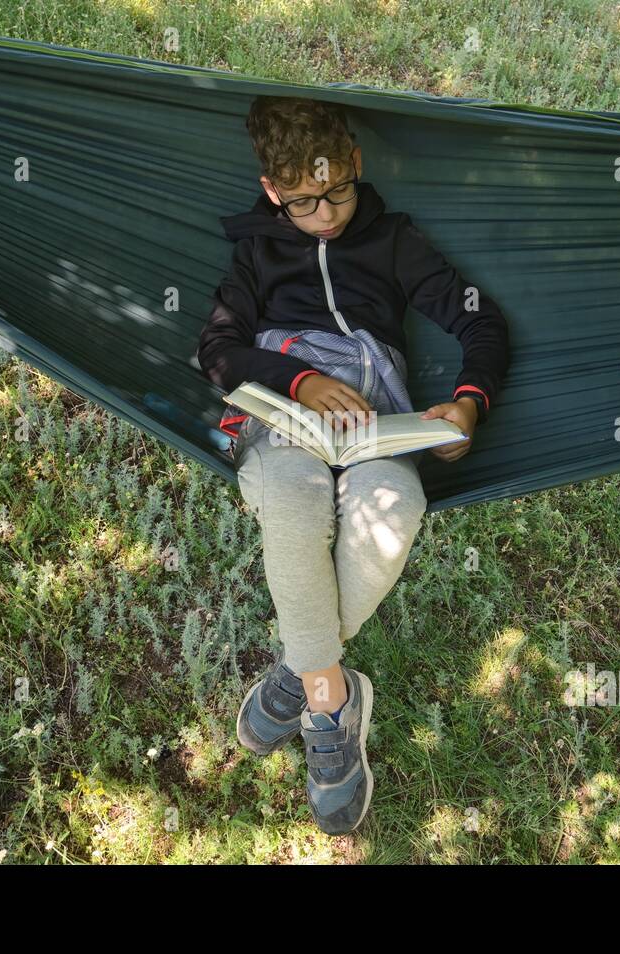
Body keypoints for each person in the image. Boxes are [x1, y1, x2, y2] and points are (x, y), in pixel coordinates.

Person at [197, 95, 509, 835]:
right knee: (296, 501)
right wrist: (298, 378)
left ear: (356, 166)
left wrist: (468, 404)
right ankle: (331, 700)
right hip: (285, 416)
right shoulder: (257, 250)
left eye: (337, 191)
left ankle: (297, 674)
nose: (327, 214)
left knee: (394, 511)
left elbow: (480, 320)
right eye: (303, 203)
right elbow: (215, 349)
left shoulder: (393, 241)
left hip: (377, 419)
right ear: (273, 191)